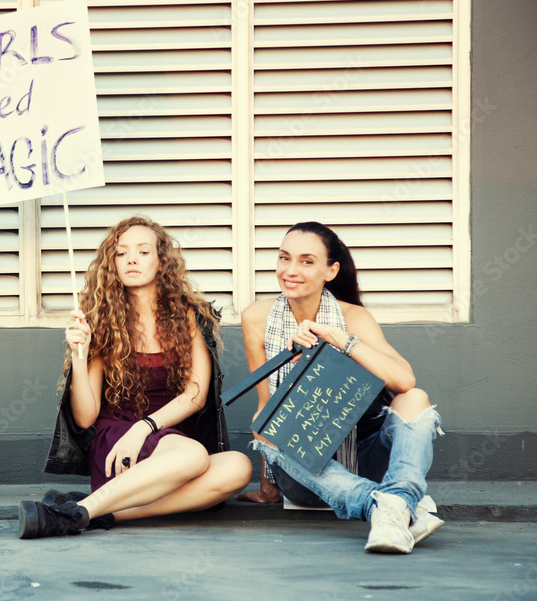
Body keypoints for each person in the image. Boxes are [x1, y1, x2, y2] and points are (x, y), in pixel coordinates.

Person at [22, 216, 253, 538]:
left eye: (143, 252)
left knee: (238, 466)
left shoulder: (188, 315)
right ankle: (87, 509)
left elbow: (196, 394)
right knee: (193, 455)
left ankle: (87, 512)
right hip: (119, 441)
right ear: (112, 264)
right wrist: (79, 353)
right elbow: (86, 418)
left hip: (168, 438)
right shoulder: (101, 321)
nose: (131, 258)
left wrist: (145, 428)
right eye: (121, 253)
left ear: (162, 263)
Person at [238, 221, 444, 553]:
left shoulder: (353, 318)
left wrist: (338, 339)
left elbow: (405, 380)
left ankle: (393, 504)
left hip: (362, 458)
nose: (290, 270)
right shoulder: (257, 318)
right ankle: (389, 506)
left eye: (306, 261)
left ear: (331, 271)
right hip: (307, 473)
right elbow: (266, 409)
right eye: (284, 258)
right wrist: (267, 488)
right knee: (264, 428)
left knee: (415, 398)